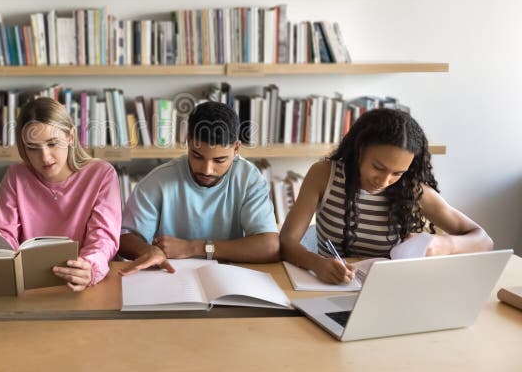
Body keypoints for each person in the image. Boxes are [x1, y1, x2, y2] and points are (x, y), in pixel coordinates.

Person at [279, 107, 494, 284]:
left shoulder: (412, 190)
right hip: (328, 286)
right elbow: (287, 240)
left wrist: (444, 245)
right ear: (360, 149)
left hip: (389, 289)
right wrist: (316, 263)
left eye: (397, 173)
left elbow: (484, 241)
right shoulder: (324, 174)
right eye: (378, 167)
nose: (384, 181)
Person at [119, 100, 279, 275]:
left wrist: (193, 248)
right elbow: (124, 238)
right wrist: (147, 250)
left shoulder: (249, 179)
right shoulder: (158, 181)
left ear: (236, 148)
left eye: (219, 160)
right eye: (197, 156)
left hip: (228, 278)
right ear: (188, 141)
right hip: (170, 276)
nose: (207, 170)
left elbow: (269, 246)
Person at [0, 97, 121, 292]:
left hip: (82, 284)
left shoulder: (102, 174)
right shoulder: (16, 175)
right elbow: (4, 231)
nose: (45, 157)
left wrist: (89, 267)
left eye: (52, 143)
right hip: (29, 287)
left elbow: (104, 238)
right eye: (33, 148)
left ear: (70, 136)